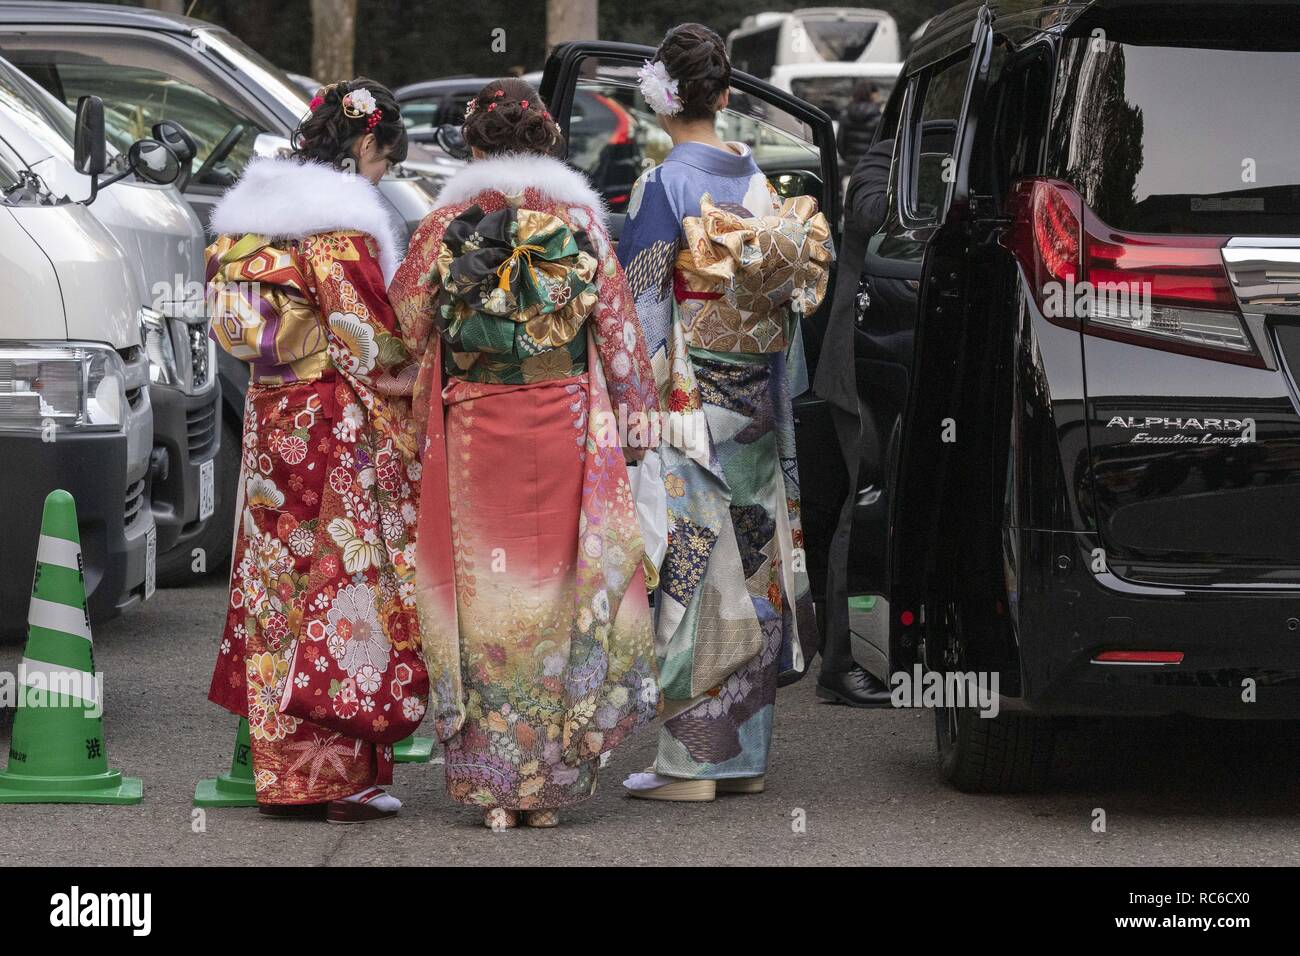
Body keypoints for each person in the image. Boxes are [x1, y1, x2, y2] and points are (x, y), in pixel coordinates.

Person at [389, 77, 662, 829]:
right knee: (563, 589)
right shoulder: (575, 213)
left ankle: (494, 788)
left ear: (472, 145)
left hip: (478, 426)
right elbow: (617, 326)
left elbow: (405, 327)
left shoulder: (449, 217)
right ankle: (549, 784)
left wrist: (394, 384)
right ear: (548, 143)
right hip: (564, 418)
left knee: (484, 597)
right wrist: (637, 421)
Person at [616, 24, 832, 801]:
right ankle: (741, 755)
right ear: (728, 96)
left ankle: (691, 764)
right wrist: (777, 383)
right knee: (755, 551)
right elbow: (783, 306)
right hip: (755, 397)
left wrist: (627, 404)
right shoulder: (761, 184)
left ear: (663, 103)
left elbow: (639, 304)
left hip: (688, 400)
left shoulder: (662, 186)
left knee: (692, 557)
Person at [205, 79, 423, 822]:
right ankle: (340, 779)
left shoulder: (249, 227)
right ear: (367, 143)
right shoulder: (340, 232)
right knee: (342, 582)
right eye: (381, 163)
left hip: (272, 419)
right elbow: (374, 347)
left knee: (277, 588)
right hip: (332, 423)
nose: (379, 178)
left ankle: (284, 777)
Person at [816, 136, 897, 708]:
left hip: (908, 350)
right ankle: (840, 661)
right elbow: (868, 213)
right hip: (861, 355)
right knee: (852, 502)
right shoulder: (888, 155)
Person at [836, 81, 882, 173]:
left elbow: (840, 143)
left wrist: (848, 158)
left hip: (851, 167)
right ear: (872, 95)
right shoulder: (878, 117)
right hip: (872, 166)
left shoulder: (845, 115)